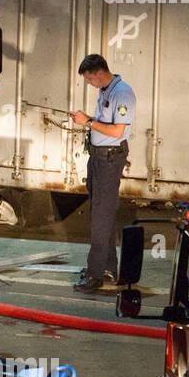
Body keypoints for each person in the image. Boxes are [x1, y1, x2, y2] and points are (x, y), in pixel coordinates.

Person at [69, 54, 135, 294]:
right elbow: (105, 122)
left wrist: (87, 121)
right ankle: (109, 267)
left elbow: (118, 131)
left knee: (100, 217)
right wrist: (88, 120)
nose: (89, 83)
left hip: (109, 159)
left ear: (99, 73)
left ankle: (94, 275)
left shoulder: (122, 93)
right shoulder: (106, 91)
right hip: (98, 157)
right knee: (102, 214)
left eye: (89, 79)